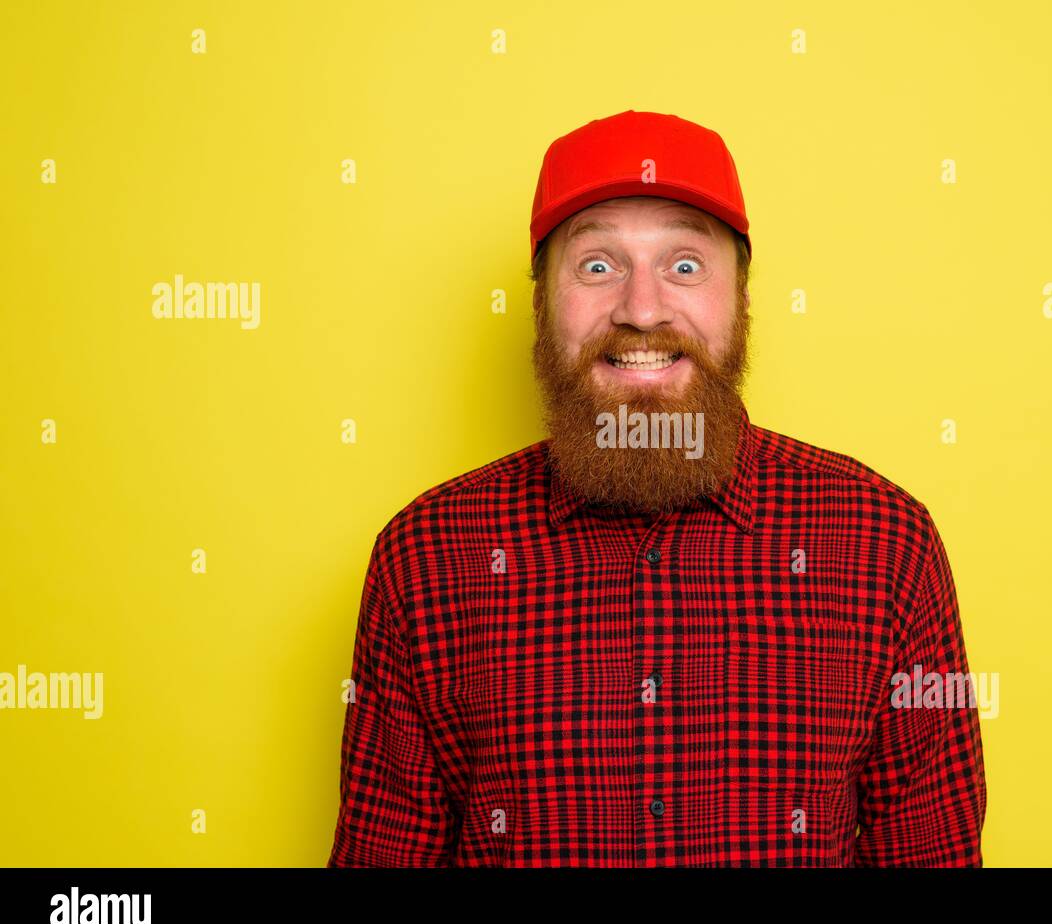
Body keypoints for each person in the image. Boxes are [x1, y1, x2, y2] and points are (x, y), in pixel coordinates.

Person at [327, 109, 986, 866]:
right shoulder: (427, 558)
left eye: (683, 264)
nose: (642, 309)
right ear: (541, 304)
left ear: (741, 299)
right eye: (598, 265)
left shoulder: (885, 546)